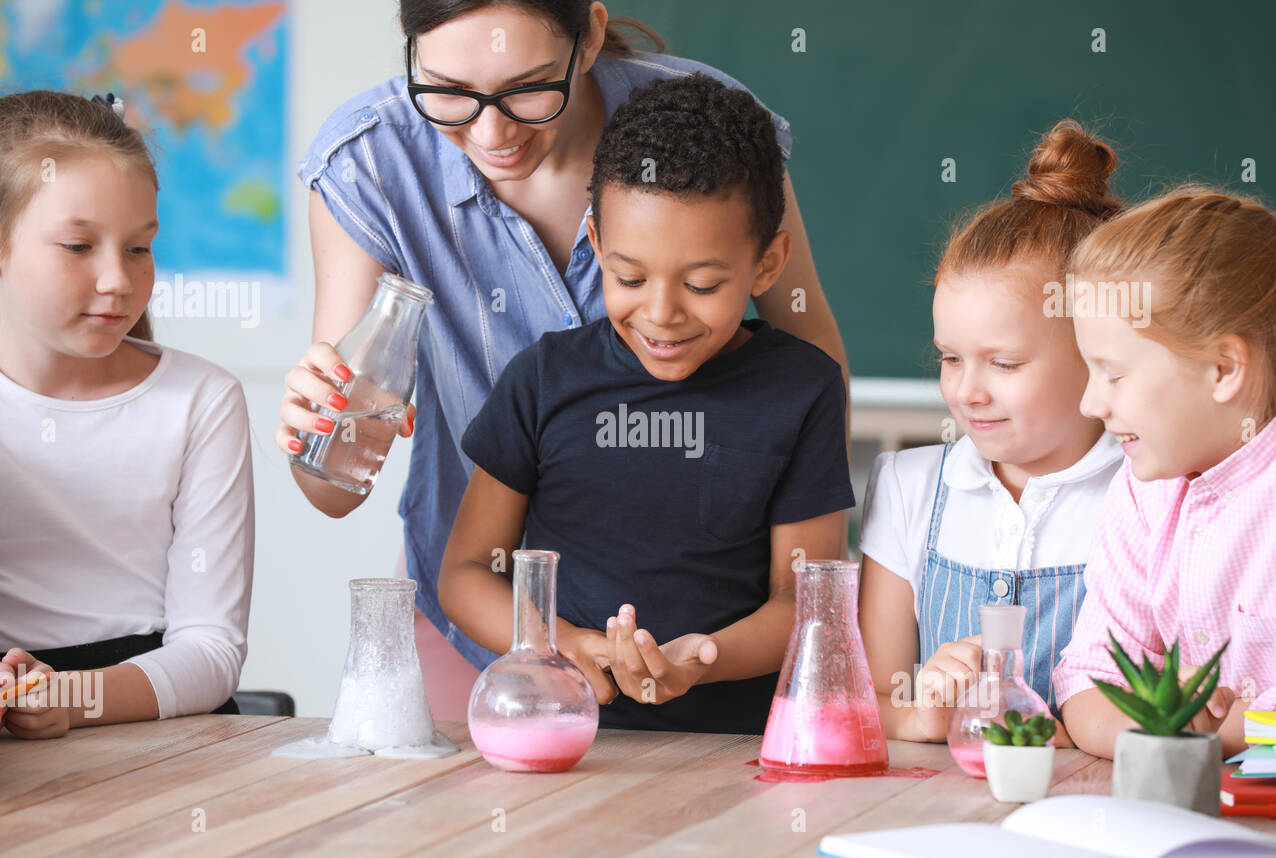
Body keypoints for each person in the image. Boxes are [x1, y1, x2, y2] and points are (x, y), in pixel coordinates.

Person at [278, 1, 847, 702]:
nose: (492, 132)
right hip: (476, 607)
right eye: (448, 91)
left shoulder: (708, 134)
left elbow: (805, 350)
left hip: (726, 629)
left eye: (528, 88)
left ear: (592, 35)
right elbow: (331, 488)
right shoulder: (369, 162)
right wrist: (319, 431)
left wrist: (788, 583)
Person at [438, 74, 854, 733]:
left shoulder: (802, 390)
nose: (661, 314)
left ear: (768, 263)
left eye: (703, 284)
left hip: (739, 750)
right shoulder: (545, 378)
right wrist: (561, 642)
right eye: (629, 277)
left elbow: (803, 605)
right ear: (596, 243)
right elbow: (466, 573)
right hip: (565, 741)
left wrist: (701, 660)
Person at [858, 121, 1125, 742]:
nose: (967, 391)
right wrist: (921, 710)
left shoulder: (1146, 494)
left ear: (1095, 349)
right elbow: (872, 698)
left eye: (1004, 364)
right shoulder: (909, 487)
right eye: (950, 358)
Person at [0, 91, 254, 738]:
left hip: (155, 729)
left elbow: (211, 652)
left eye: (139, 249)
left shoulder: (201, 399)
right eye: (78, 246)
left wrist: (70, 696)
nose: (118, 279)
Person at [1055, 188, 1276, 759]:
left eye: (1113, 375)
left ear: (1222, 369)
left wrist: (1186, 728)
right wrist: (1175, 734)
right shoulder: (1142, 492)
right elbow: (1086, 681)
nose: (1091, 404)